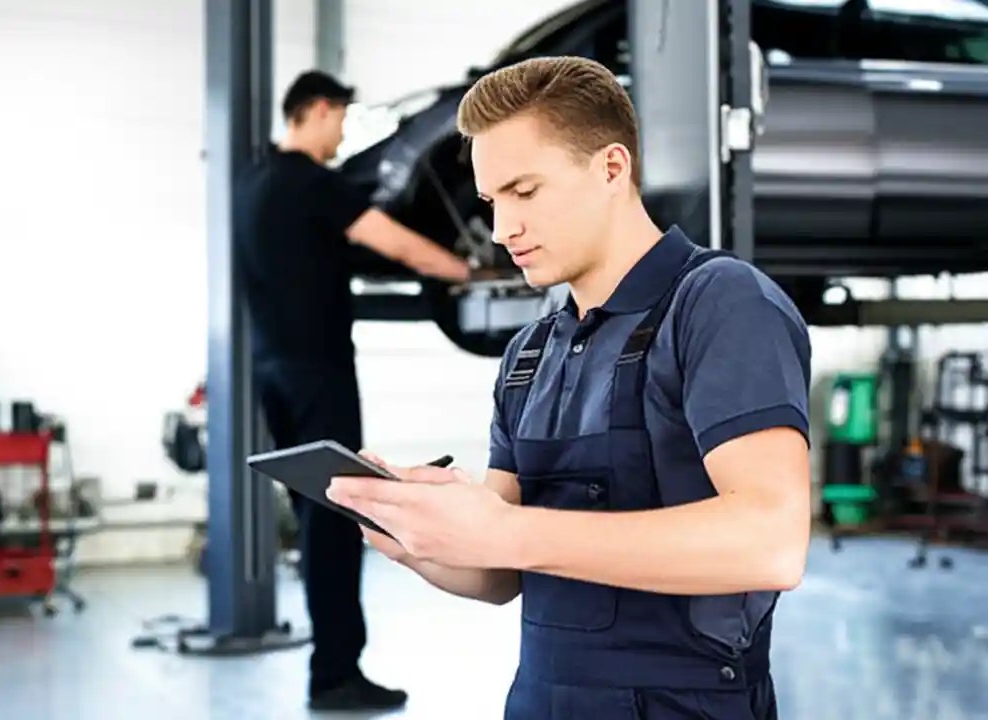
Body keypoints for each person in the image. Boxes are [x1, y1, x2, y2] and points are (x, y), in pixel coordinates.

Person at [327, 56, 812, 719]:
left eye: (525, 192)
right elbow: (498, 576)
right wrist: (413, 535)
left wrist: (506, 532)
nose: (502, 231)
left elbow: (772, 542)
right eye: (493, 202)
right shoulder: (529, 353)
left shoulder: (720, 304)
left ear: (612, 168)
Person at [235, 70, 474, 712]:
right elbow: (396, 244)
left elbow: (321, 262)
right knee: (338, 520)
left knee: (318, 519)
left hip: (274, 376)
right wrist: (473, 269)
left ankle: (332, 665)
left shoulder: (252, 185)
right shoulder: (313, 183)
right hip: (319, 373)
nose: (343, 130)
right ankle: (336, 674)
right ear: (315, 110)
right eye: (340, 116)